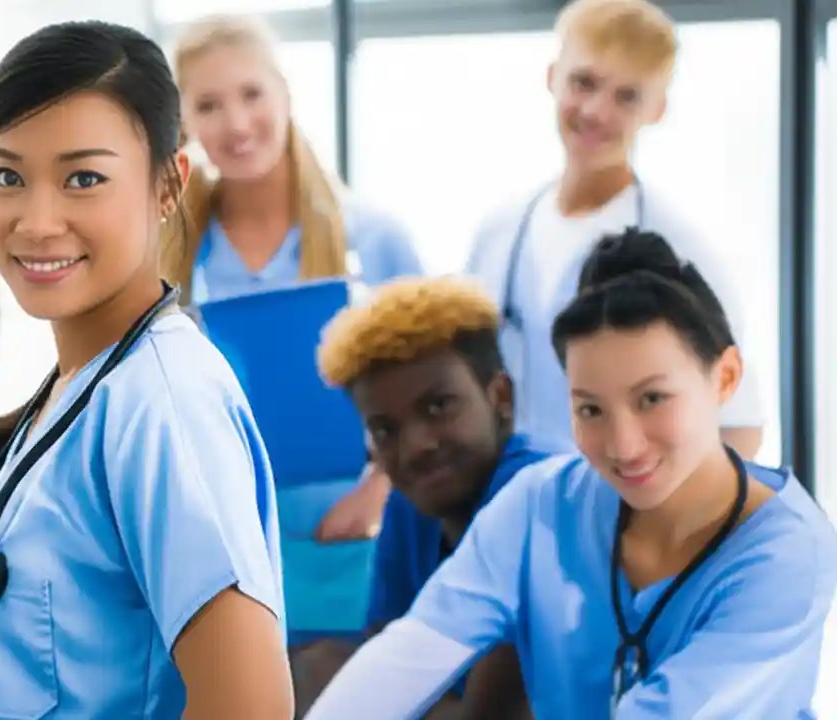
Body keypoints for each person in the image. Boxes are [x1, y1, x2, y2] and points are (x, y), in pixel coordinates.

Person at [0, 20, 291, 719]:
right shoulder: (80, 386)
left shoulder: (163, 403)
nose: (36, 220)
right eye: (6, 175)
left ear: (168, 185)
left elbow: (250, 706)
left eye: (83, 178)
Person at [306, 228, 837, 719]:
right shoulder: (539, 505)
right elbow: (406, 659)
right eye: (590, 409)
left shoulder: (786, 555)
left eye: (652, 398)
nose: (624, 445)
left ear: (724, 378)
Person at [465, 0, 764, 459]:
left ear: (657, 109)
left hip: (630, 511)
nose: (596, 111)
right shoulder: (499, 232)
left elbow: (738, 426)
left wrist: (674, 528)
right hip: (508, 506)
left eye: (627, 96)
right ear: (551, 77)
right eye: (583, 82)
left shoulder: (680, 250)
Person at [167, 14, 424, 545]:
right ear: (185, 121)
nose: (236, 124)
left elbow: (431, 387)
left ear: (284, 93)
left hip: (356, 535)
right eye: (208, 106)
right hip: (220, 540)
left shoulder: (373, 236)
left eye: (251, 94)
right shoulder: (171, 257)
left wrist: (380, 490)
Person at [291, 276, 555, 718]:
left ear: (500, 396)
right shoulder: (409, 503)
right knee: (310, 666)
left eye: (438, 407)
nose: (416, 446)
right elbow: (386, 659)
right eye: (385, 430)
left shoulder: (539, 496)